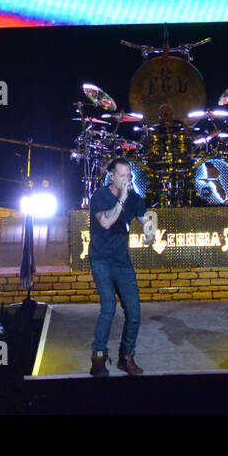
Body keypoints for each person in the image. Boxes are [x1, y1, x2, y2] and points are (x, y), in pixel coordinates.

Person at [87, 157, 157, 377]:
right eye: (123, 175)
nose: (128, 179)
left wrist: (150, 227)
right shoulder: (100, 196)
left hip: (121, 261)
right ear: (112, 176)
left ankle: (126, 357)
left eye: (130, 175)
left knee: (134, 312)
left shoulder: (134, 199)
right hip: (101, 259)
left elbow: (147, 223)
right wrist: (122, 199)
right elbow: (106, 222)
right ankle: (98, 358)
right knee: (108, 307)